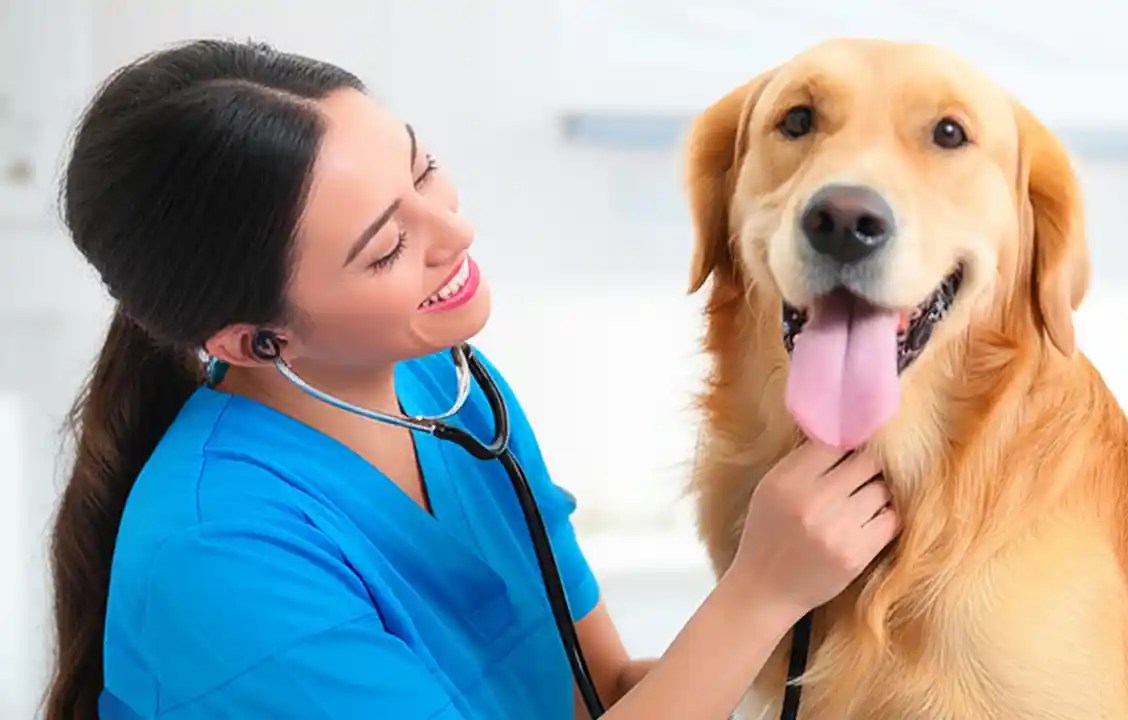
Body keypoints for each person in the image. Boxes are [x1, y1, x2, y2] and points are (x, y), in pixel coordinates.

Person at [45, 39, 900, 720]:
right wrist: (760, 594)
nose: (453, 229)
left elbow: (596, 690)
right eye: (385, 248)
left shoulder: (447, 384)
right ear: (255, 339)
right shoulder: (220, 560)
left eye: (421, 170)